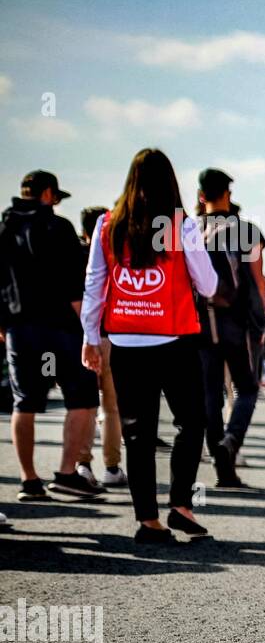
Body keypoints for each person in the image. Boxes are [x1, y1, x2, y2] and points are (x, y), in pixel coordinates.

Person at [80, 148, 218, 544]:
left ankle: (148, 521)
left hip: (123, 339)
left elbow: (94, 285)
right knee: (191, 422)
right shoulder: (181, 225)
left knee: (137, 434)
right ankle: (180, 504)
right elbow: (208, 285)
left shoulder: (107, 225)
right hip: (174, 338)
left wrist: (90, 338)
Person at [0, 170, 102, 501]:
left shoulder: (4, 228)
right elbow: (74, 287)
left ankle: (29, 479)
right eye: (56, 198)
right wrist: (90, 331)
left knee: (24, 401)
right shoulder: (58, 228)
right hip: (61, 329)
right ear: (46, 193)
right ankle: (67, 472)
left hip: (19, 327)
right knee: (83, 397)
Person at [195, 168, 265, 488]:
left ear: (200, 197)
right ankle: (231, 442)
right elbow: (258, 280)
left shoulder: (187, 230)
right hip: (236, 323)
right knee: (247, 388)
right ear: (228, 194)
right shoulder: (246, 230)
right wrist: (260, 319)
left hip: (198, 322)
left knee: (209, 393)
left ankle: (220, 464)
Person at [75, 205, 126, 490]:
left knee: (84, 406)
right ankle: (111, 466)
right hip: (110, 335)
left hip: (81, 338)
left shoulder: (72, 256)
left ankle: (82, 463)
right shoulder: (112, 254)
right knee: (112, 407)